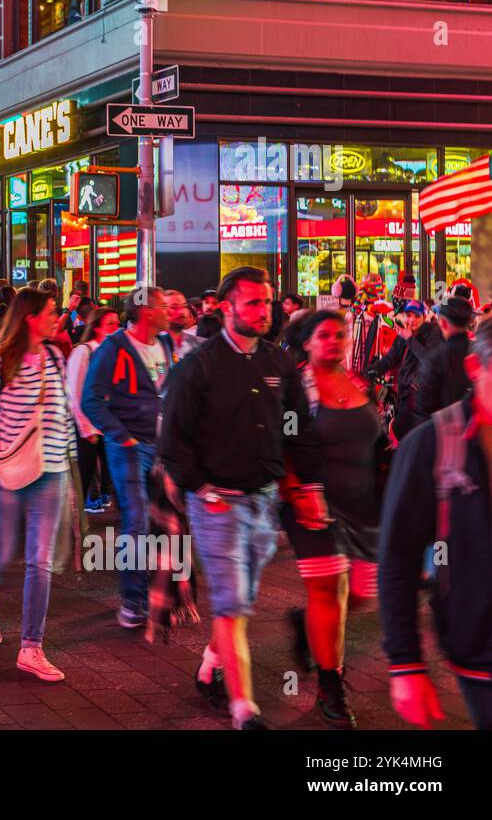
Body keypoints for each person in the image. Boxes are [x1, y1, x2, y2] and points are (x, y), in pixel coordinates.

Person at [159, 266, 324, 730]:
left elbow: (297, 428)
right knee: (232, 605)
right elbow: (173, 439)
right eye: (252, 302)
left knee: (244, 598)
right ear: (226, 307)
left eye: (266, 302)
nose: (263, 310)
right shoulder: (199, 365)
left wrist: (305, 485)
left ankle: (211, 665)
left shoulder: (278, 362)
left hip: (264, 500)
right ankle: (243, 709)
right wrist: (202, 488)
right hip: (218, 502)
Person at [380, 318, 492, 729]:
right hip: (480, 649)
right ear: (477, 369)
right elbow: (397, 558)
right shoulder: (433, 444)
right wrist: (406, 663)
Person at [0, 288, 78, 683]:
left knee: (40, 560)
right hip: (7, 470)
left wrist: (69, 464)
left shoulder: (54, 358)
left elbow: (63, 412)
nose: (57, 317)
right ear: (30, 316)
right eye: (51, 311)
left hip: (51, 471)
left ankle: (31, 646)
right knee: (3, 553)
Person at [281, 309, 387, 729]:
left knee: (362, 590)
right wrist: (295, 493)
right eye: (323, 335)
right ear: (306, 342)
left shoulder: (362, 382)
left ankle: (306, 626)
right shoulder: (295, 389)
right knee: (330, 588)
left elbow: (379, 440)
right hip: (313, 504)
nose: (334, 341)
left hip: (365, 505)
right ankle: (331, 687)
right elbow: (282, 443)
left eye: (340, 335)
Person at [82, 287, 173, 628]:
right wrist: (122, 436)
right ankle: (133, 600)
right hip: (129, 449)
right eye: (163, 306)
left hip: (161, 446)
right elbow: (90, 400)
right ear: (146, 311)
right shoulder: (114, 348)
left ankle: (159, 591)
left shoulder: (165, 344)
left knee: (162, 521)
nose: (168, 312)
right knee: (136, 521)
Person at [67, 307, 120, 514]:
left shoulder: (114, 351)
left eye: (117, 323)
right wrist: (85, 427)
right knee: (83, 476)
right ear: (97, 327)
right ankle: (75, 523)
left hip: (107, 424)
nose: (116, 328)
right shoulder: (84, 351)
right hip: (86, 426)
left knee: (111, 473)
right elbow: (74, 390)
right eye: (110, 324)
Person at [363, 300, 439, 441]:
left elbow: (430, 361)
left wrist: (409, 339)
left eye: (416, 316)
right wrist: (369, 372)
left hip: (421, 400)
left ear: (424, 316)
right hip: (404, 396)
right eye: (409, 315)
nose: (412, 320)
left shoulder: (432, 333)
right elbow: (389, 359)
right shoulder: (404, 334)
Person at [415, 295, 474, 419]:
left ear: (443, 323)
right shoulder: (481, 353)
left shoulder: (436, 359)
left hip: (444, 432)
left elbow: (423, 410)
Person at [163, 289, 201, 358]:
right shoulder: (153, 345)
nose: (181, 312)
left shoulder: (200, 345)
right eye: (174, 307)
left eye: (184, 306)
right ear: (162, 310)